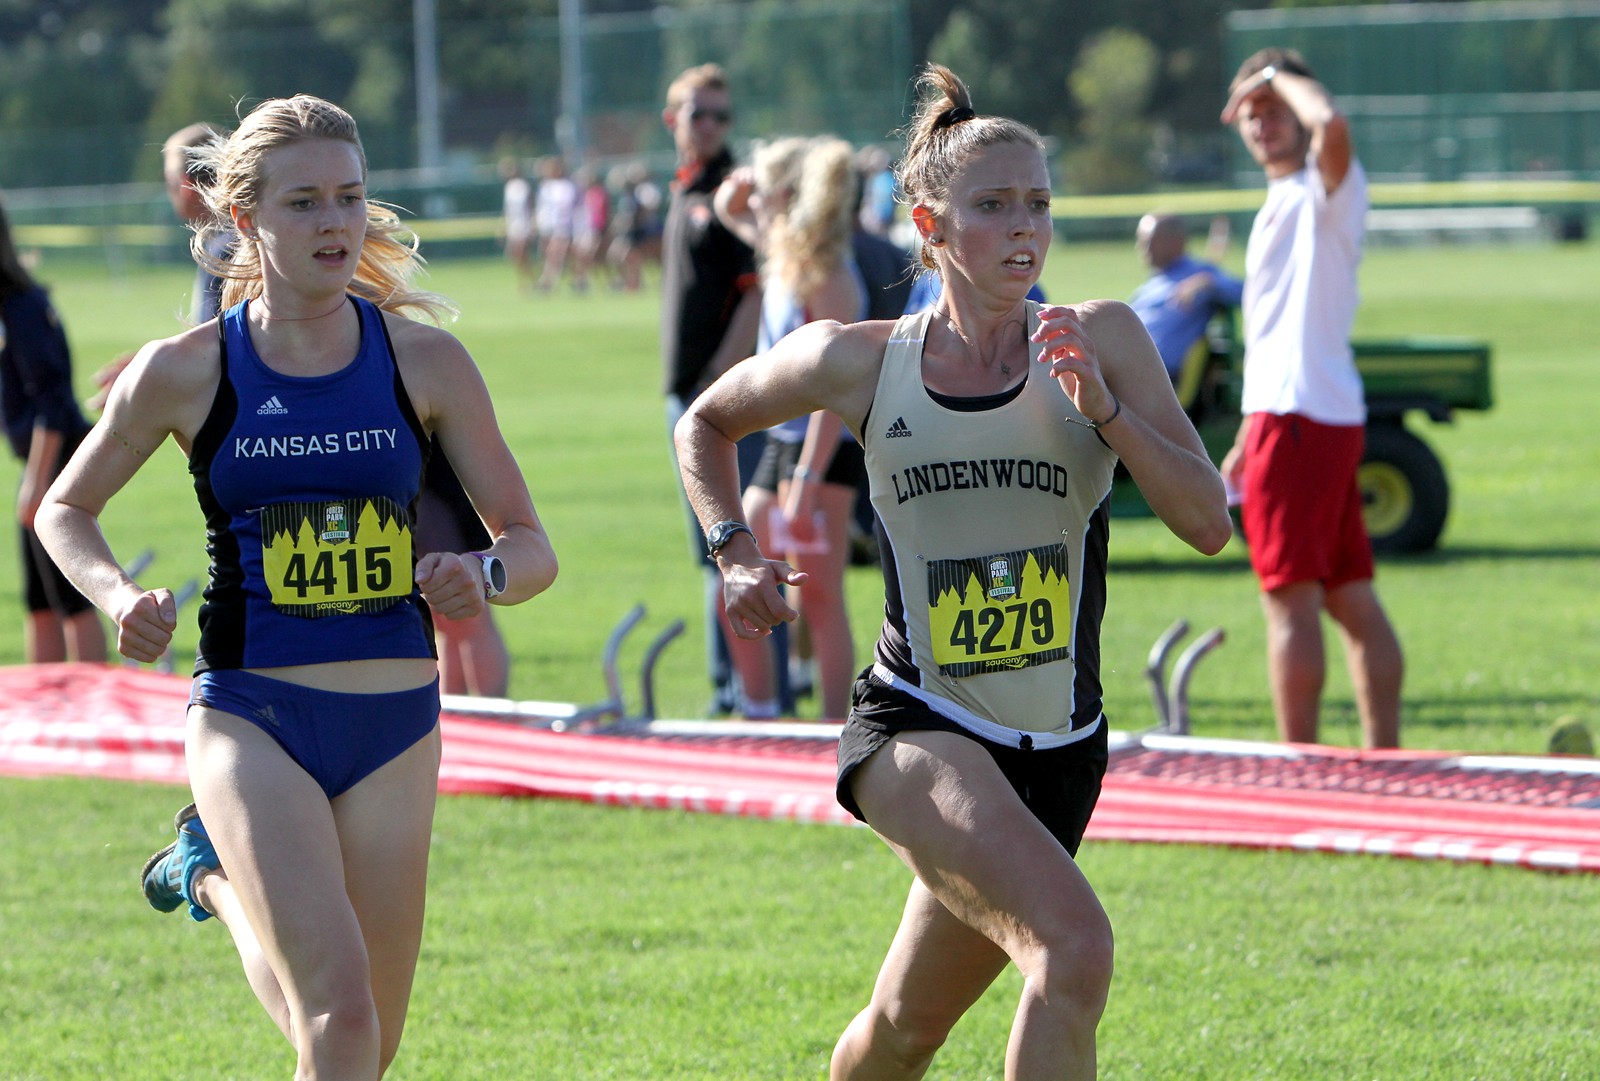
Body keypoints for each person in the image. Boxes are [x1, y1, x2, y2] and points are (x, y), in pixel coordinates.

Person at [676, 65, 1230, 1079]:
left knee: (901, 1027)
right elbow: (703, 421)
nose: (1025, 229)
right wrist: (733, 549)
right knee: (1074, 949)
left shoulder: (1102, 336)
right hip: (920, 726)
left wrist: (1105, 410)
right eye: (993, 207)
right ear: (930, 226)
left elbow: (1207, 523)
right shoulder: (857, 358)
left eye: (1038, 204)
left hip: (1061, 743)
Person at [36, 94, 558, 1078]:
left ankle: (213, 882)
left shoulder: (425, 361)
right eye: (305, 202)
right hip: (251, 715)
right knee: (342, 1021)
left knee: (360, 1042)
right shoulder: (186, 371)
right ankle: (221, 871)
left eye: (350, 199)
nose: (333, 223)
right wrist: (116, 598)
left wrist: (476, 573)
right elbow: (64, 509)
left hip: (396, 720)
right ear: (244, 220)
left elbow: (532, 546)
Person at [1219, 47, 1403, 750]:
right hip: (1298, 415)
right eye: (1250, 113)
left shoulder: (1323, 188)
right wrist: (1245, 430)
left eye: (1274, 110)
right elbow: (1273, 330)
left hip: (1298, 419)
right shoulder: (1284, 197)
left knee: (1288, 600)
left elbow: (1334, 128)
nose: (1262, 123)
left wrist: (1281, 83)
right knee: (1348, 594)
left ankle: (1302, 768)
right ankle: (1385, 755)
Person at [713, 135, 867, 721]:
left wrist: (806, 476)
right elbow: (733, 211)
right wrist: (743, 193)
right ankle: (760, 708)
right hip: (782, 442)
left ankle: (836, 730)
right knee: (743, 566)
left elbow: (839, 387)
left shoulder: (826, 273)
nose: (752, 201)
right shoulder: (782, 253)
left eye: (763, 191)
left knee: (821, 597)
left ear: (785, 197)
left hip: (821, 450)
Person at [658, 62, 766, 715]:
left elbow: (756, 298)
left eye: (722, 115)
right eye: (700, 113)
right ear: (673, 119)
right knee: (710, 547)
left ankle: (751, 692)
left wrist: (717, 386)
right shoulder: (684, 187)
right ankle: (729, 685)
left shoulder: (732, 189)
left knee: (732, 539)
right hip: (688, 394)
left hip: (716, 401)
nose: (712, 126)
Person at [0, 198, 108, 664]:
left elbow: (50, 402)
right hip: (40, 461)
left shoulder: (21, 305)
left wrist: (37, 483)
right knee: (38, 601)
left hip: (56, 461)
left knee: (70, 598)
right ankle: (43, 709)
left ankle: (94, 704)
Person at [1127, 212, 1242, 385]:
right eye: (1142, 240)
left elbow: (1246, 292)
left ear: (1177, 241)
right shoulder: (1150, 286)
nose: (1143, 247)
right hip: (1124, 366)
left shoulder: (1201, 274)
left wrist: (1208, 281)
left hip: (1155, 377)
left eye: (1151, 240)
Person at [499, 155, 536, 293]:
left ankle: (530, 280)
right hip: (513, 225)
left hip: (524, 223)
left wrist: (532, 224)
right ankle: (525, 280)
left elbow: (530, 206)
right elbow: (507, 210)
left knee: (522, 253)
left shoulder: (523, 186)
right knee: (516, 256)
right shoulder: (508, 187)